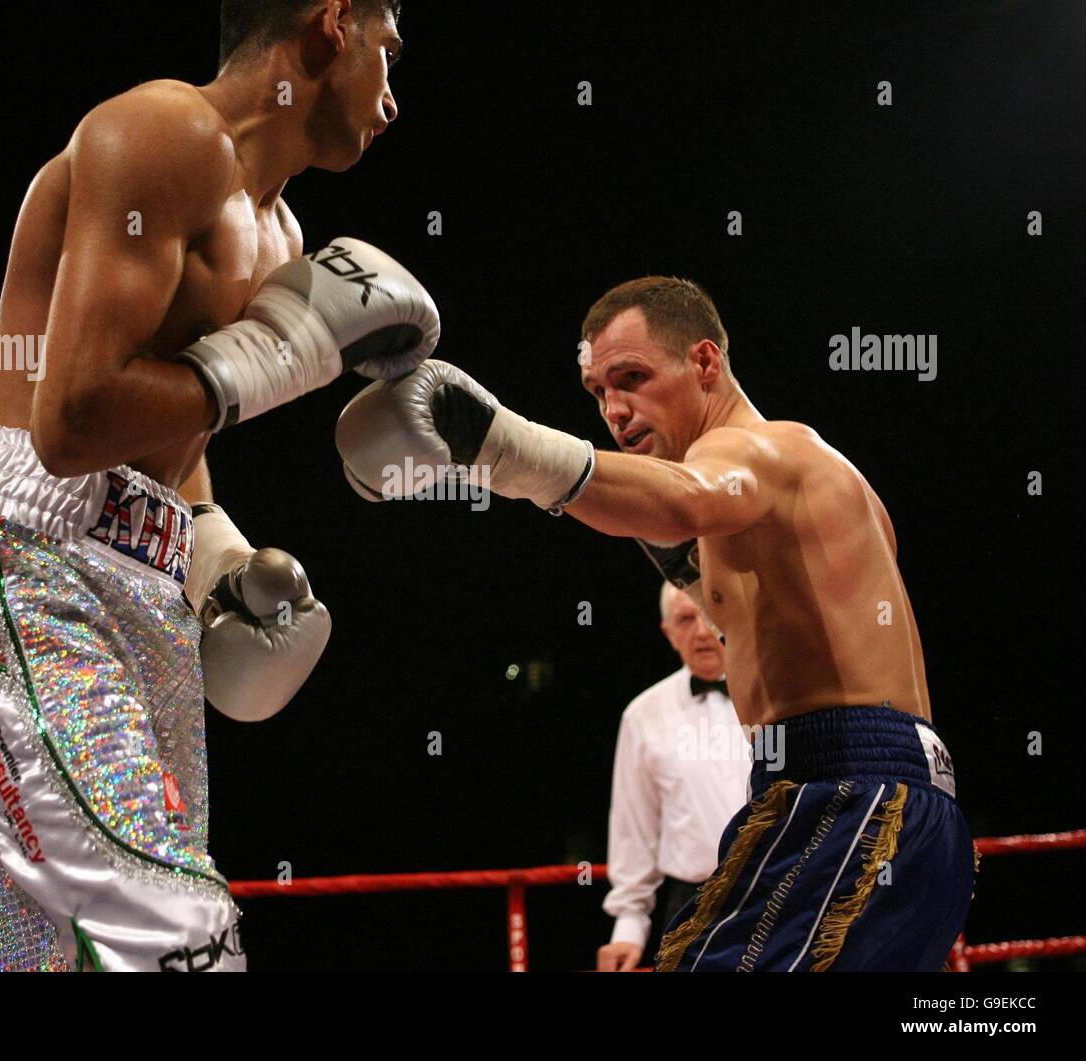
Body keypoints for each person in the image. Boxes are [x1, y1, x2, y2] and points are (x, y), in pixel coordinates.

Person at [0, 0, 438, 972]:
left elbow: (172, 435)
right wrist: (286, 352)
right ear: (331, 25)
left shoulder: (283, 235)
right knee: (174, 930)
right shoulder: (162, 131)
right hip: (15, 546)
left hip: (143, 571)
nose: (392, 98)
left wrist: (217, 554)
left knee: (61, 946)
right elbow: (73, 424)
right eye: (387, 54)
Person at [335, 275, 974, 971]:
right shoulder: (818, 487)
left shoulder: (760, 449)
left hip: (850, 798)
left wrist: (493, 442)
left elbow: (682, 502)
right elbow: (712, 574)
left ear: (705, 363)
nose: (613, 408)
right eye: (598, 392)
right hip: (905, 803)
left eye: (631, 378)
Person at [598, 584, 748, 972]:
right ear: (669, 633)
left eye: (708, 614)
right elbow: (635, 827)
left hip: (780, 891)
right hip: (691, 906)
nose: (700, 631)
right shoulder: (643, 714)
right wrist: (628, 928)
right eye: (685, 618)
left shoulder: (779, 693)